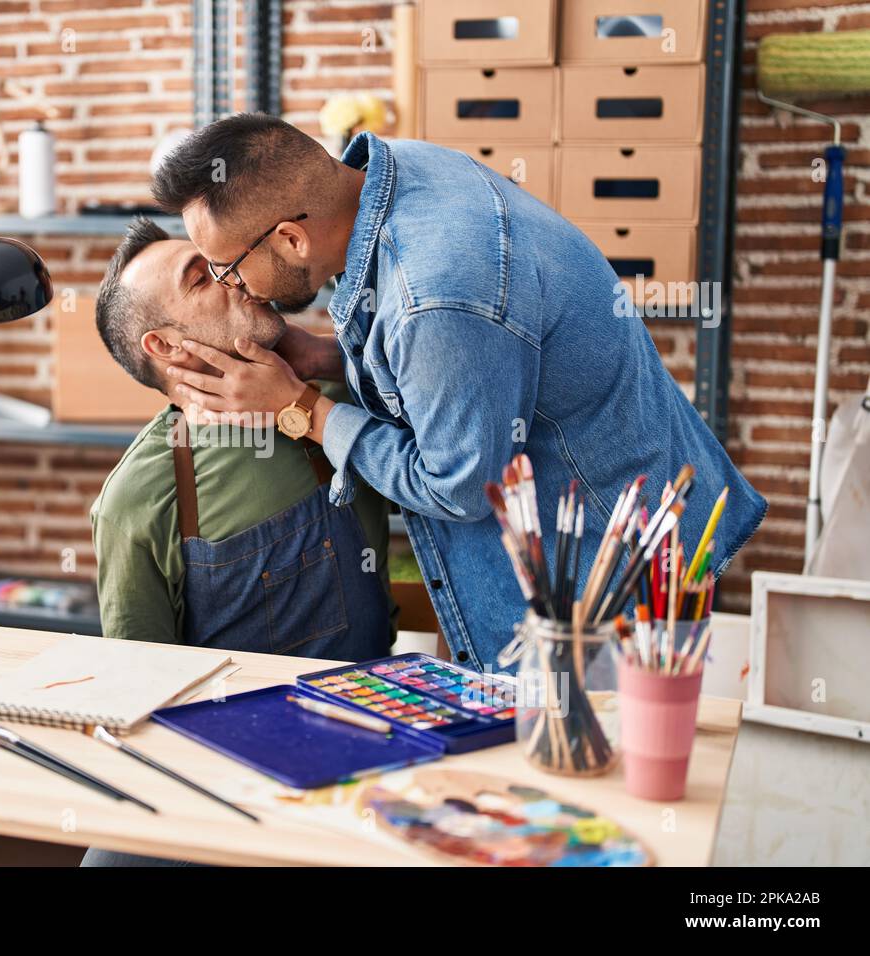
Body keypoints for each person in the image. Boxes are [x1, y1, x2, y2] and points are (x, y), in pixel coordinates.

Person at [150, 114, 767, 671]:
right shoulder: (394, 171)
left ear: (290, 238)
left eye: (228, 267)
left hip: (606, 580)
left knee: (580, 773)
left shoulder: (435, 296)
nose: (237, 288)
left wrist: (304, 410)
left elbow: (459, 485)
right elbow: (470, 367)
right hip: (599, 512)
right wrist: (328, 355)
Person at [79, 216, 397, 867]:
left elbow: (445, 402)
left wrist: (312, 367)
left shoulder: (336, 400)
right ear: (165, 347)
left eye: (217, 259)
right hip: (226, 773)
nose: (231, 272)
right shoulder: (137, 499)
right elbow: (143, 694)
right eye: (202, 277)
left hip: (373, 749)